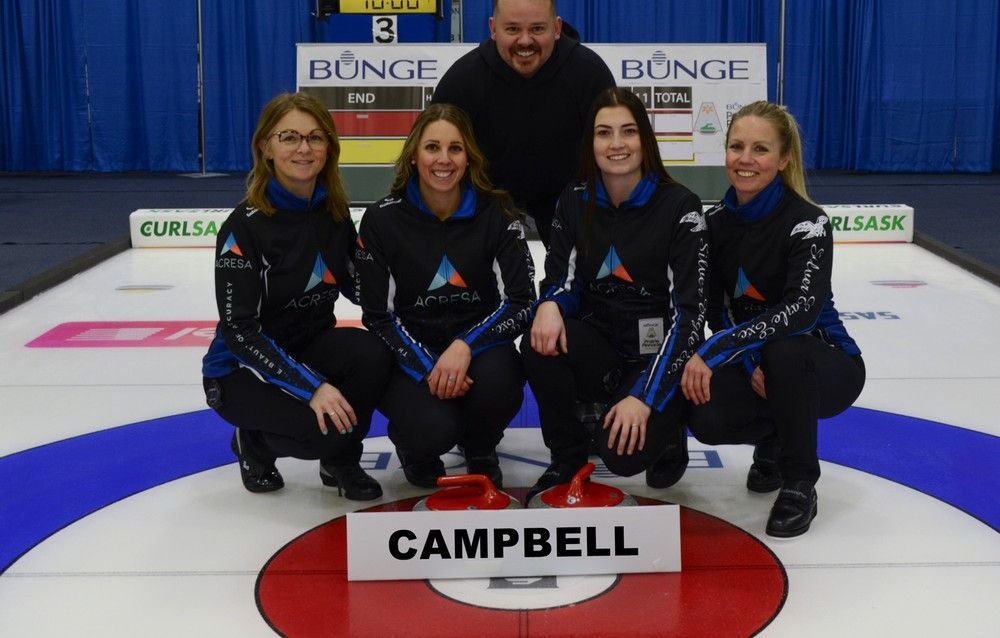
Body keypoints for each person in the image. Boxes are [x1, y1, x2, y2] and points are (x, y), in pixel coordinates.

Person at [681, 100, 865, 538]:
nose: (745, 159)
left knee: (785, 352)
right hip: (759, 361)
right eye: (736, 146)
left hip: (825, 363)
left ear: (783, 159)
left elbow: (800, 313)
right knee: (705, 415)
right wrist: (747, 363)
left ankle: (800, 482)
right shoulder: (714, 224)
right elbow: (714, 311)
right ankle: (774, 438)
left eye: (760, 149)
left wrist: (718, 352)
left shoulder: (809, 223)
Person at [202, 92, 391, 501]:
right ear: (266, 147)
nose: (304, 149)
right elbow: (240, 333)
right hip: (240, 370)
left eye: (315, 138)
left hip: (309, 346)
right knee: (315, 432)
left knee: (372, 354)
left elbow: (360, 290)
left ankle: (341, 459)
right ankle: (253, 444)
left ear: (329, 148)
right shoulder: (243, 229)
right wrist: (313, 388)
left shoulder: (334, 213)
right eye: (289, 137)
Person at [521, 87, 709, 501]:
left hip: (659, 356)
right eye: (604, 133)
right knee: (539, 340)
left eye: (627, 131)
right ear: (591, 143)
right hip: (602, 347)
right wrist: (550, 303)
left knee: (621, 457)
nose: (616, 144)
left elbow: (689, 316)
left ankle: (670, 427)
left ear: (645, 139)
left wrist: (644, 394)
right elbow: (561, 281)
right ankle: (567, 457)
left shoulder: (680, 206)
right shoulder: (573, 200)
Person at [355, 103, 535, 489]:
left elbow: (521, 301)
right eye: (432, 147)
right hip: (411, 354)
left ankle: (481, 445)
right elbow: (377, 316)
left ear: (468, 157)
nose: (444, 159)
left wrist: (465, 346)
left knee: (502, 383)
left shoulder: (498, 213)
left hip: (477, 349)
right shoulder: (382, 219)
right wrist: (426, 365)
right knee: (433, 429)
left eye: (455, 148)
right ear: (414, 156)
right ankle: (413, 445)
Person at [432, 0, 615, 243]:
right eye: (513, 29)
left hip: (576, 212)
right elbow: (430, 161)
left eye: (537, 29)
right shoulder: (462, 81)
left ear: (557, 28)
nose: (525, 41)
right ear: (493, 29)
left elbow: (617, 157)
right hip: (483, 213)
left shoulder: (589, 74)